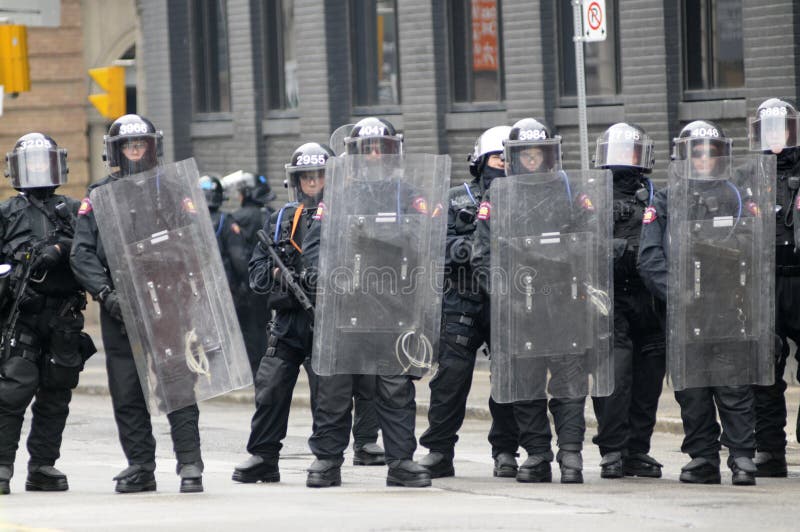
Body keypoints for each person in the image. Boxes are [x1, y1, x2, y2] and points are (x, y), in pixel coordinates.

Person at [70, 114, 204, 493]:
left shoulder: (172, 188)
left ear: (151, 147)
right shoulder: (98, 195)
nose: (134, 151)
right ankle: (141, 465)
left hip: (166, 302)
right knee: (127, 389)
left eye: (140, 144)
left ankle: (190, 464)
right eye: (128, 145)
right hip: (119, 307)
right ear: (116, 150)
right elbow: (82, 255)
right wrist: (106, 294)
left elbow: (195, 241)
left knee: (177, 382)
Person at [301, 117, 431, 488]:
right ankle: (327, 460)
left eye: (380, 148)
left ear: (392, 152)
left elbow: (422, 238)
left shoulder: (407, 195)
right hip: (347, 307)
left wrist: (376, 239)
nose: (374, 155)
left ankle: (401, 462)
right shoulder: (339, 196)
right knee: (335, 388)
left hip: (393, 307)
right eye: (367, 149)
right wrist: (325, 280)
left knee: (394, 387)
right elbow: (313, 251)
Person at [470, 118, 598, 484]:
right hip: (520, 304)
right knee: (525, 385)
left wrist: (577, 283)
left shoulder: (571, 191)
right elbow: (482, 255)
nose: (531, 160)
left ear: (549, 154)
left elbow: (592, 241)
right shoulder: (500, 195)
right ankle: (537, 454)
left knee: (569, 383)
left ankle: (571, 454)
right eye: (524, 155)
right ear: (513, 157)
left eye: (537, 153)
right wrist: (505, 296)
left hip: (565, 303)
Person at [638, 120, 762, 485]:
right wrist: (678, 294)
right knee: (691, 390)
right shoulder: (666, 198)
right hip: (685, 311)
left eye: (711, 153)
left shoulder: (739, 195)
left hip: (727, 306)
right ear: (685, 157)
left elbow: (754, 246)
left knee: (733, 386)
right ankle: (703, 457)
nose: (705, 160)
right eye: (698, 153)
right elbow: (650, 256)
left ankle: (742, 457)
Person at [419, 124, 537, 480]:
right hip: (463, 297)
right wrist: (464, 247)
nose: (503, 164)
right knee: (451, 377)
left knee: (508, 378)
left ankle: (505, 451)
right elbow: (430, 243)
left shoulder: (528, 198)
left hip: (509, 298)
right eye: (497, 158)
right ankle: (439, 451)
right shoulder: (455, 198)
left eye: (509, 158)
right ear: (481, 160)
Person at [0, 133, 94, 495]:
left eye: (45, 163)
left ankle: (42, 465)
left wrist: (60, 247)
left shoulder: (73, 210)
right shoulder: (7, 213)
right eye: (32, 164)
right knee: (12, 390)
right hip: (22, 314)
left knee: (57, 393)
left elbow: (91, 249)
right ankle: (3, 465)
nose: (39, 171)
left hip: (63, 315)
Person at [591, 123, 666, 479]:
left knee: (649, 378)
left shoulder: (656, 195)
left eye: (630, 152)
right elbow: (581, 247)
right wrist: (625, 250)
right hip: (611, 299)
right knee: (616, 377)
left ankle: (637, 450)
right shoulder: (590, 198)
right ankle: (612, 450)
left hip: (650, 299)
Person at [748, 98, 800, 477]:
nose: (776, 139)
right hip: (764, 282)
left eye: (781, 130)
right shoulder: (748, 178)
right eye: (769, 132)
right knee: (765, 368)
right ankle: (769, 449)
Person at [228, 172, 274, 376]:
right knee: (266, 329)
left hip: (246, 286)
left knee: (250, 333)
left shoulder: (238, 217)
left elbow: (236, 256)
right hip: (268, 283)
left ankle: (256, 372)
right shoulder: (271, 215)